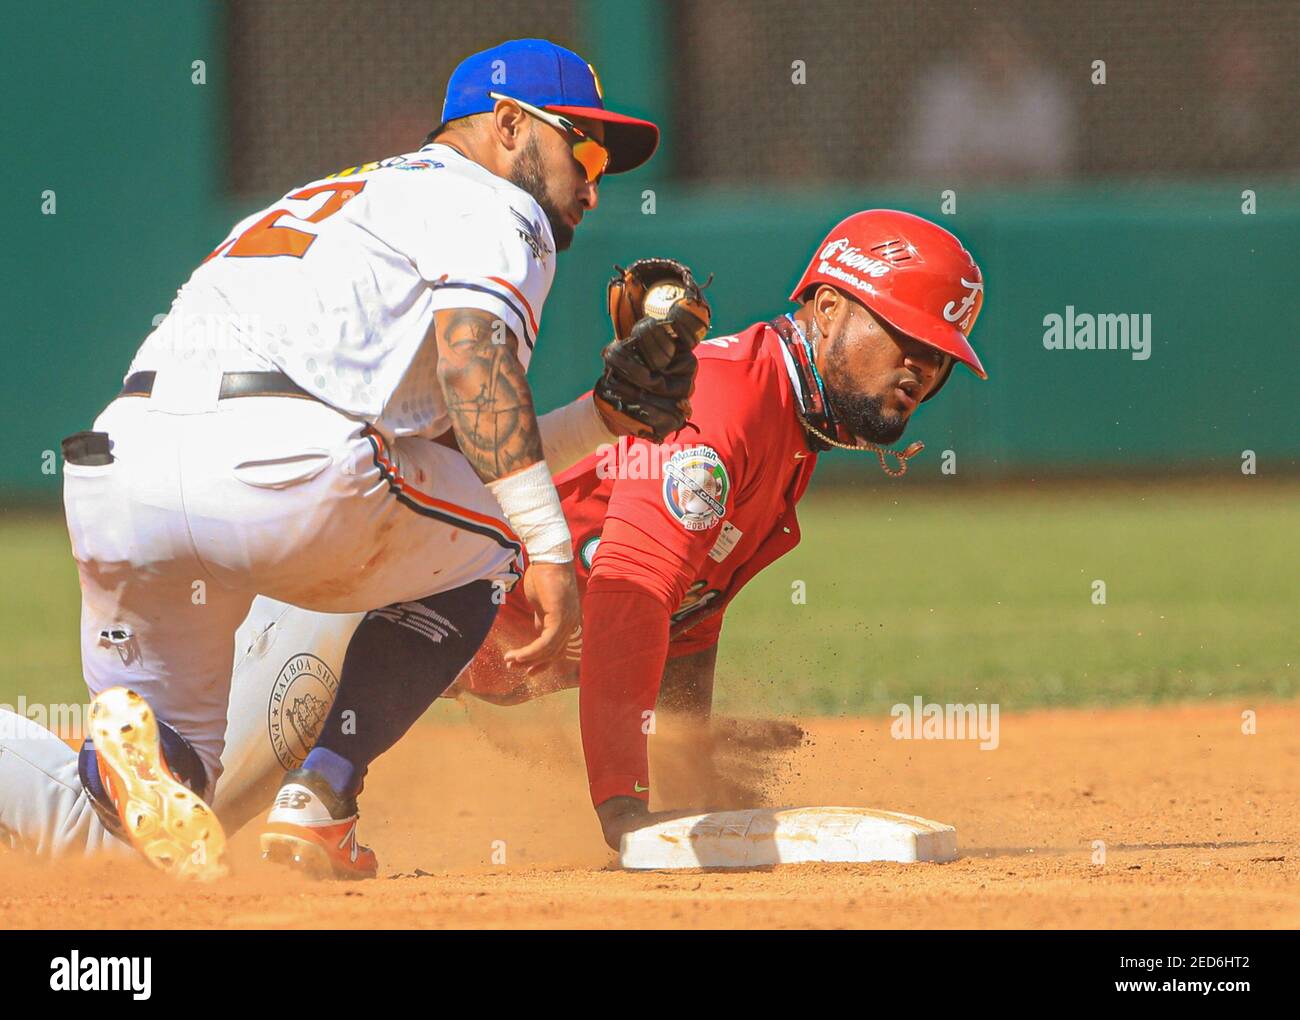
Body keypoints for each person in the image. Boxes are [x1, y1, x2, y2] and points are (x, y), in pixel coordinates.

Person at [0, 210, 986, 876]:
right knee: (147, 843)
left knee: (168, 833)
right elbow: (632, 602)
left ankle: (319, 795)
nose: (919, 371)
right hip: (348, 595)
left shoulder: (782, 439)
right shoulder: (724, 407)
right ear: (821, 305)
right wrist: (624, 812)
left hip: (398, 599)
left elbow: (685, 619)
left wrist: (690, 772)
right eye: (904, 337)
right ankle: (294, 794)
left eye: (938, 360)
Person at [47, 37, 664, 880]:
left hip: (119, 474)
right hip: (281, 471)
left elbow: (449, 457)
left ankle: (125, 763)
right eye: (583, 148)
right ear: (510, 125)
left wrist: (601, 418)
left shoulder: (331, 199)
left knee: (174, 784)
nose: (593, 185)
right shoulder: (497, 206)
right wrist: (549, 547)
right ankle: (324, 795)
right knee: (501, 541)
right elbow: (473, 362)